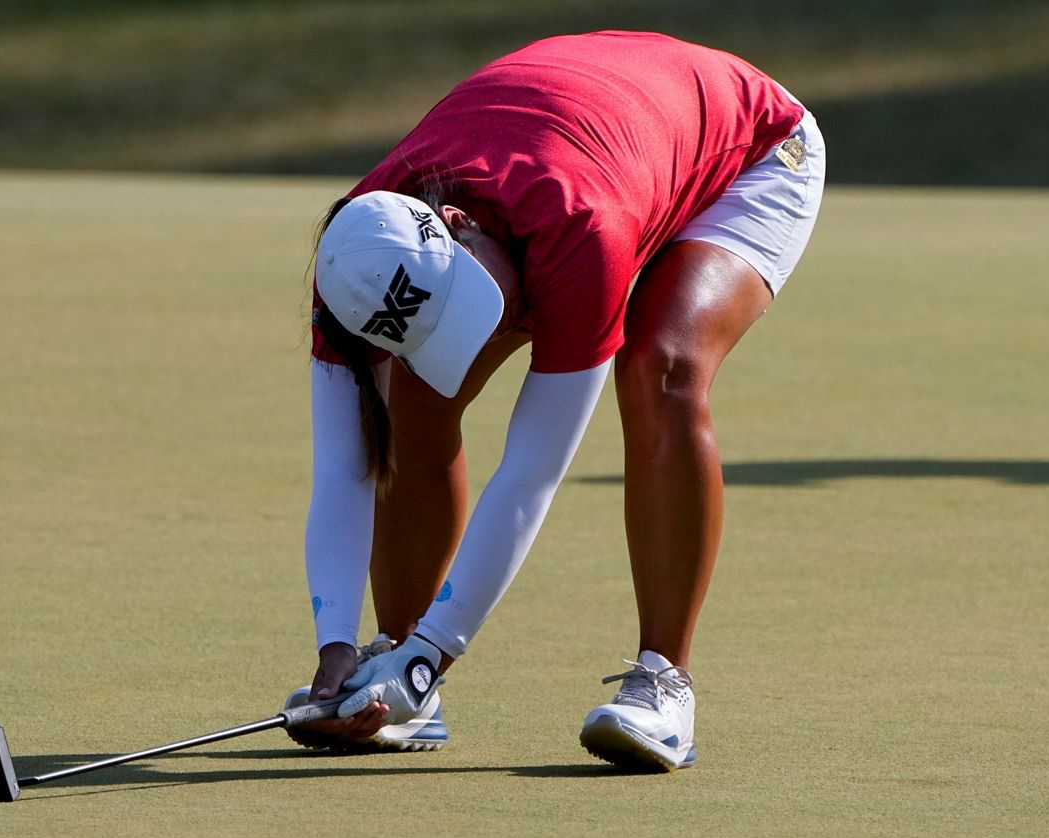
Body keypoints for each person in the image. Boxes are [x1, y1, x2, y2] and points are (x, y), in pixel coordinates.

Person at [287, 31, 825, 770]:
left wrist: (432, 656)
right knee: (413, 391)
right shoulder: (351, 267)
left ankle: (665, 683)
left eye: (474, 301)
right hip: (605, 134)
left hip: (749, 148)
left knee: (661, 367)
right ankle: (393, 662)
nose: (494, 325)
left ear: (458, 226)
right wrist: (339, 653)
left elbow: (530, 474)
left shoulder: (581, 230)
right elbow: (343, 468)